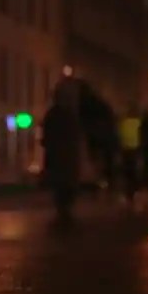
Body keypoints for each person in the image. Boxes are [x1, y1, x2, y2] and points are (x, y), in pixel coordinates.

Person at [41, 79, 84, 226]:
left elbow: (46, 137)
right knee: (64, 183)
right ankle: (64, 210)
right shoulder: (67, 115)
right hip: (64, 156)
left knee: (62, 184)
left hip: (61, 156)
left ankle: (63, 210)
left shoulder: (55, 115)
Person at [117, 104, 142, 206]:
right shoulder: (138, 123)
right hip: (134, 150)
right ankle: (133, 190)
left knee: (128, 172)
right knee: (134, 171)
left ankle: (129, 192)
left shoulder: (124, 123)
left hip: (126, 150)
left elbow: (120, 136)